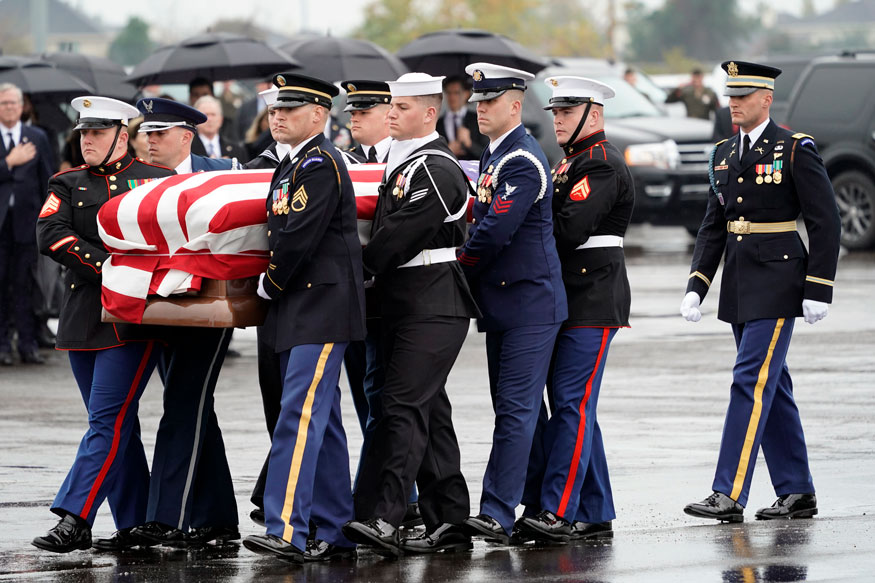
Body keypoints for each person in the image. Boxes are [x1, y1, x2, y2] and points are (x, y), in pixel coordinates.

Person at [680, 61, 841, 523]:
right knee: (774, 387)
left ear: (766, 99)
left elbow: (826, 220)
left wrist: (819, 286)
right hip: (740, 282)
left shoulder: (793, 148)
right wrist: (698, 285)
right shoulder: (724, 152)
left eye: (744, 95)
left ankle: (728, 492)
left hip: (779, 280)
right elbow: (715, 224)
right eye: (730, 95)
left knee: (749, 382)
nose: (734, 102)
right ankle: (797, 491)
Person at [342, 72, 479, 556]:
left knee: (399, 405)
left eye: (400, 108)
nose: (391, 114)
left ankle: (385, 517)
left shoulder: (438, 168)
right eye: (390, 107)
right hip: (402, 302)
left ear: (428, 113)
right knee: (428, 410)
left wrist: (349, 270)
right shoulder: (403, 165)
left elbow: (397, 238)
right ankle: (451, 520)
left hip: (434, 302)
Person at [31, 96, 173, 552]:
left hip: (133, 320)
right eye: (82, 133)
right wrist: (112, 266)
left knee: (106, 419)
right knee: (115, 424)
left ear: (121, 135)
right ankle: (134, 522)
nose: (86, 140)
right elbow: (50, 234)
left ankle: (75, 516)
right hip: (81, 316)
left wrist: (127, 275)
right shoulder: (67, 182)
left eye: (95, 133)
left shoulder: (158, 181)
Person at [242, 73, 365, 563]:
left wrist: (268, 284)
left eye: (288, 110)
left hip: (320, 306)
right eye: (274, 110)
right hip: (302, 305)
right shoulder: (289, 166)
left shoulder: (319, 163)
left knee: (299, 414)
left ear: (318, 116)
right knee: (324, 418)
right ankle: (334, 528)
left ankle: (287, 527)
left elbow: (297, 237)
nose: (276, 117)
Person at [516, 76, 634, 543]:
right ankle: (595, 507)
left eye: (567, 112)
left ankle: (558, 510)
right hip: (570, 297)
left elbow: (568, 229)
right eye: (556, 113)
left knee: (571, 404)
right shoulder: (570, 165)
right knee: (575, 407)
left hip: (594, 298)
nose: (558, 120)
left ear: (595, 114)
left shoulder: (601, 165)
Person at [455, 63, 567, 544]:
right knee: (520, 409)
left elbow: (493, 231)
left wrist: (454, 265)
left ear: (516, 105)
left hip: (529, 304)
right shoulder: (494, 155)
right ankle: (540, 501)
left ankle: (497, 510)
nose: (480, 110)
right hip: (504, 304)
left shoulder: (521, 159)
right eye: (478, 102)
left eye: (490, 102)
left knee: (516, 409)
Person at [129, 97, 239, 548]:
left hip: (207, 307)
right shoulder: (135, 178)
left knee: (182, 403)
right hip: (158, 307)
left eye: (159, 134)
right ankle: (217, 519)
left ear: (186, 136)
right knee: (195, 410)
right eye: (146, 133)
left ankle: (165, 518)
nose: (150, 142)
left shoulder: (223, 170)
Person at [0, 82, 54, 366]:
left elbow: (48, 179)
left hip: (26, 224)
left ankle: (28, 344)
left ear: (22, 107)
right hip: (1, 227)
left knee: (25, 286)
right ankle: (2, 346)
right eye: (3, 103)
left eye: (13, 103)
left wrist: (48, 219)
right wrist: (9, 162)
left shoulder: (37, 136)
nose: (9, 108)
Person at [436, 76, 488, 160]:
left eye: (456, 93)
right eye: (449, 93)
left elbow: (487, 154)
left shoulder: (478, 119)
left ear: (466, 94)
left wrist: (470, 144)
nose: (452, 97)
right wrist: (448, 151)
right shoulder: (438, 123)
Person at [190, 95, 247, 162]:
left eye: (213, 114)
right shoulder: (187, 150)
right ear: (196, 119)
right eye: (205, 115)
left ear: (221, 120)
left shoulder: (237, 150)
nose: (209, 119)